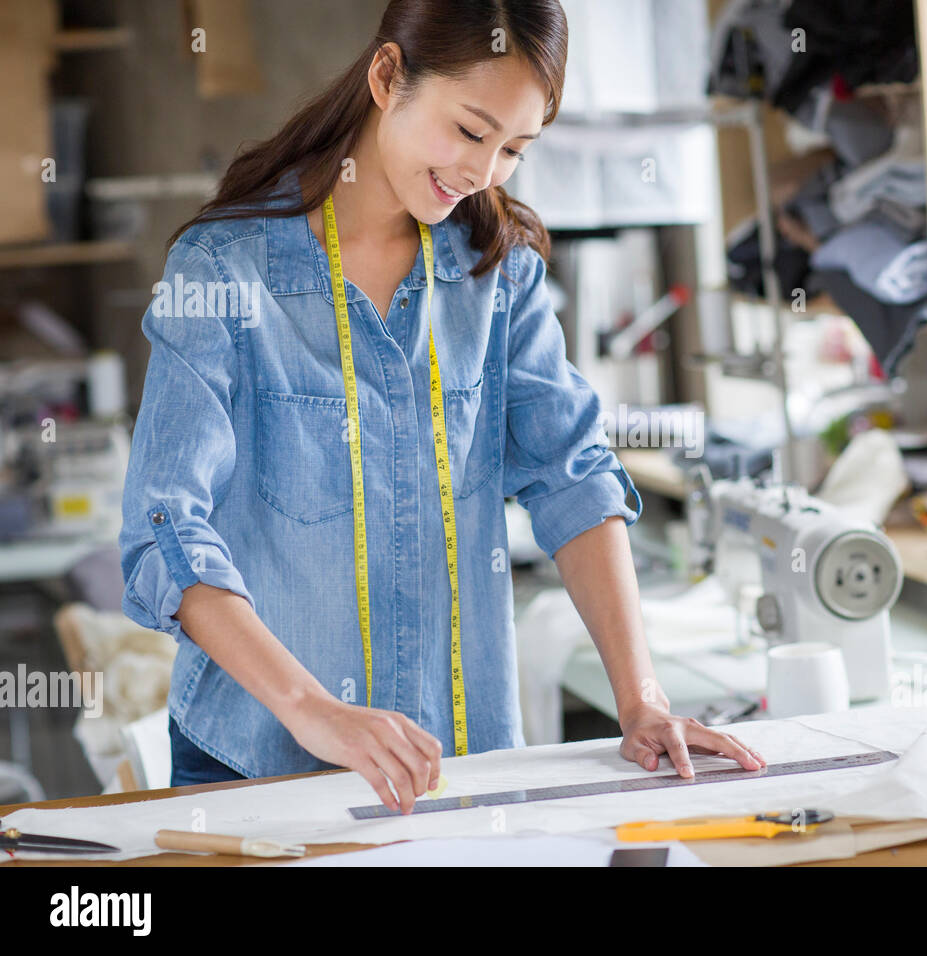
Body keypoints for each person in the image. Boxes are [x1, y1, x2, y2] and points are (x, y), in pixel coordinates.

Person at [120, 0, 764, 814]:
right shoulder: (220, 270)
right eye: (470, 131)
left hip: (456, 769)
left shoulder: (502, 276)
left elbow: (573, 478)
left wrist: (643, 700)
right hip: (259, 767)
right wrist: (316, 714)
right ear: (388, 76)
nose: (482, 172)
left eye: (514, 150)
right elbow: (164, 529)